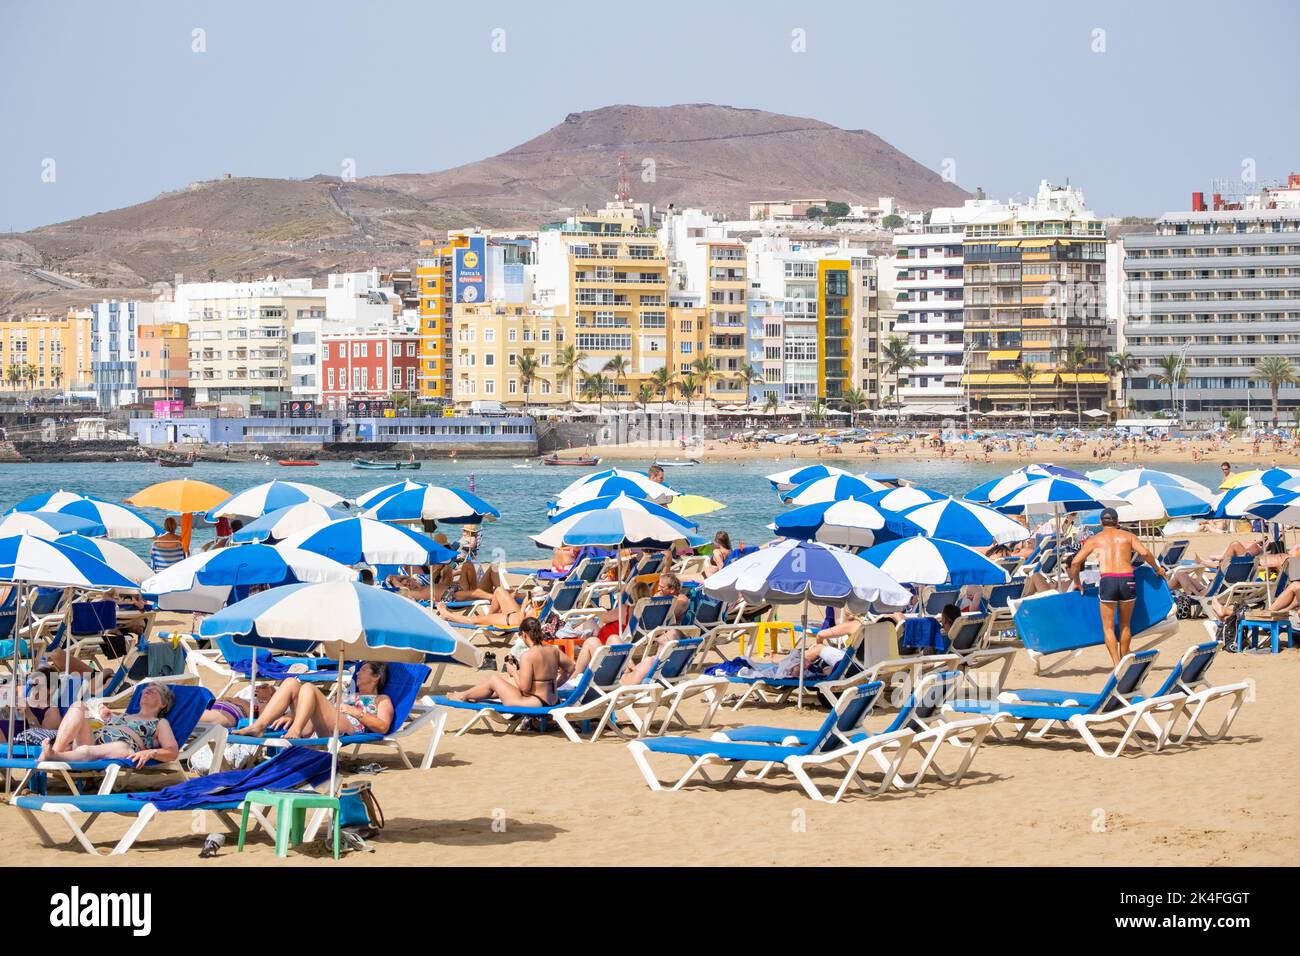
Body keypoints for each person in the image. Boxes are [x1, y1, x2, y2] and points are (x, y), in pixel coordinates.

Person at [1068, 508, 1169, 666]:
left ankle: (1116, 664)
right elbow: (1145, 553)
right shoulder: (1128, 536)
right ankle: (1124, 660)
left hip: (1108, 580)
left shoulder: (1095, 539)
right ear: (1117, 521)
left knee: (1108, 627)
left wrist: (1077, 582)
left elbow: (1075, 562)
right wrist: (1158, 569)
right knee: (1125, 624)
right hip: (1127, 579)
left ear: (1101, 522)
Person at [239, 661, 395, 739]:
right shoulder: (349, 693)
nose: (358, 673)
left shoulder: (381, 699)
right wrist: (291, 715)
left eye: (363, 670)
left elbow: (383, 727)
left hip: (348, 727)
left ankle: (296, 730)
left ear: (376, 677)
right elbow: (318, 708)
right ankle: (259, 725)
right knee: (291, 682)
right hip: (319, 724)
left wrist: (354, 711)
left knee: (308, 688)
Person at [38, 683, 179, 768]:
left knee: (117, 747)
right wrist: (105, 717)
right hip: (91, 740)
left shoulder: (160, 723)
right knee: (78, 706)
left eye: (154, 691)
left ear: (163, 704)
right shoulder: (123, 715)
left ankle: (54, 757)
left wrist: (151, 752)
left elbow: (172, 751)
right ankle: (54, 753)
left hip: (122, 749)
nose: (147, 690)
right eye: (146, 689)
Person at [449, 617, 573, 707]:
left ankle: (462, 696)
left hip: (535, 702)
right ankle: (467, 695)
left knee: (493, 679)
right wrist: (555, 684)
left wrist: (513, 672)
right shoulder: (553, 651)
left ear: (524, 634)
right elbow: (570, 668)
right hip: (553, 699)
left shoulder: (528, 656)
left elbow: (525, 688)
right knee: (506, 682)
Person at [0, 665, 62, 745]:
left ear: (50, 690)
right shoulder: (22, 701)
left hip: (19, 749)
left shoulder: (53, 713)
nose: (32, 688)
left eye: (36, 685)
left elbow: (41, 739)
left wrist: (28, 713)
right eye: (31, 685)